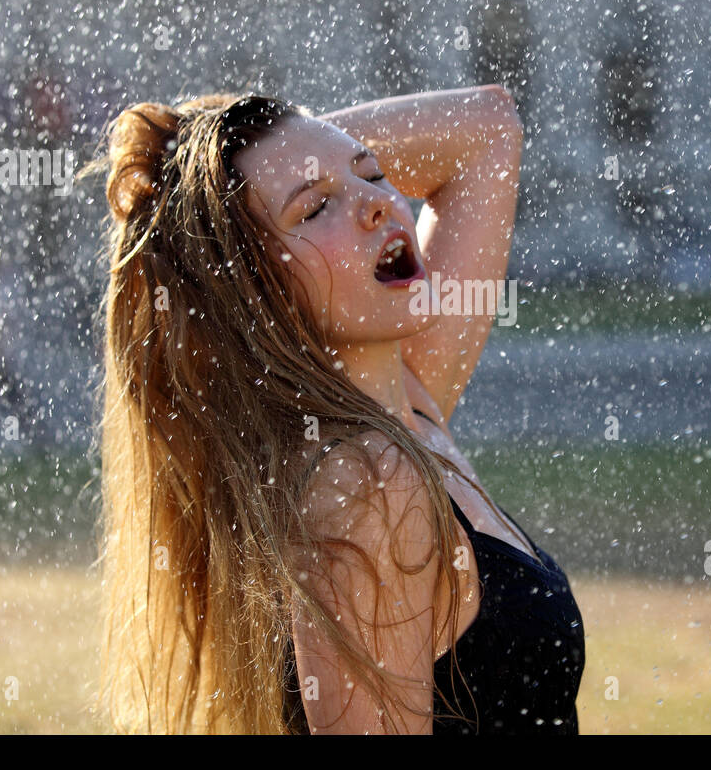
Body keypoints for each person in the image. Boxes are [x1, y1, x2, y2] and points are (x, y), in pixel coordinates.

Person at [82, 86, 584, 734]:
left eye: (371, 172)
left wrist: (271, 161)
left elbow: (488, 129)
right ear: (250, 285)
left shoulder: (406, 405)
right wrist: (205, 221)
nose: (378, 203)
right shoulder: (365, 485)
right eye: (317, 208)